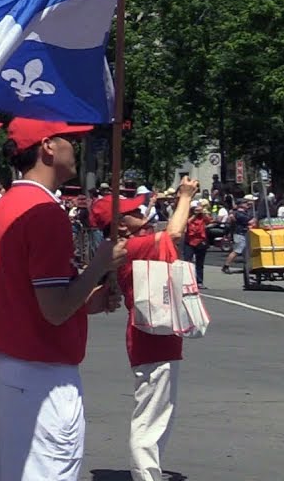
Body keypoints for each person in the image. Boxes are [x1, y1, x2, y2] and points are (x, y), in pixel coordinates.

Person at [0, 118, 128, 480]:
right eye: (68, 140)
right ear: (47, 147)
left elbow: (33, 295)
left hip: (9, 368)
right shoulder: (45, 212)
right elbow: (55, 309)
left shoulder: (6, 205)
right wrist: (100, 265)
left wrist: (90, 299)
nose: (73, 148)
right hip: (43, 377)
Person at [102, 175, 197, 481]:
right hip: (151, 334)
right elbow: (175, 234)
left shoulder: (128, 244)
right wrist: (185, 197)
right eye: (131, 212)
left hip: (156, 331)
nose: (140, 214)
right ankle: (146, 475)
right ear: (120, 225)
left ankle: (148, 472)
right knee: (151, 414)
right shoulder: (130, 246)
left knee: (159, 410)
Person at [183, 201, 209, 288]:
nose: (196, 210)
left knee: (200, 263)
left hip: (201, 241)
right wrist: (194, 215)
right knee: (187, 261)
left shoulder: (203, 217)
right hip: (189, 241)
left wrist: (203, 212)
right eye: (194, 209)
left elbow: (209, 220)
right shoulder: (188, 216)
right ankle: (187, 281)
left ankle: (199, 281)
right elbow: (187, 223)